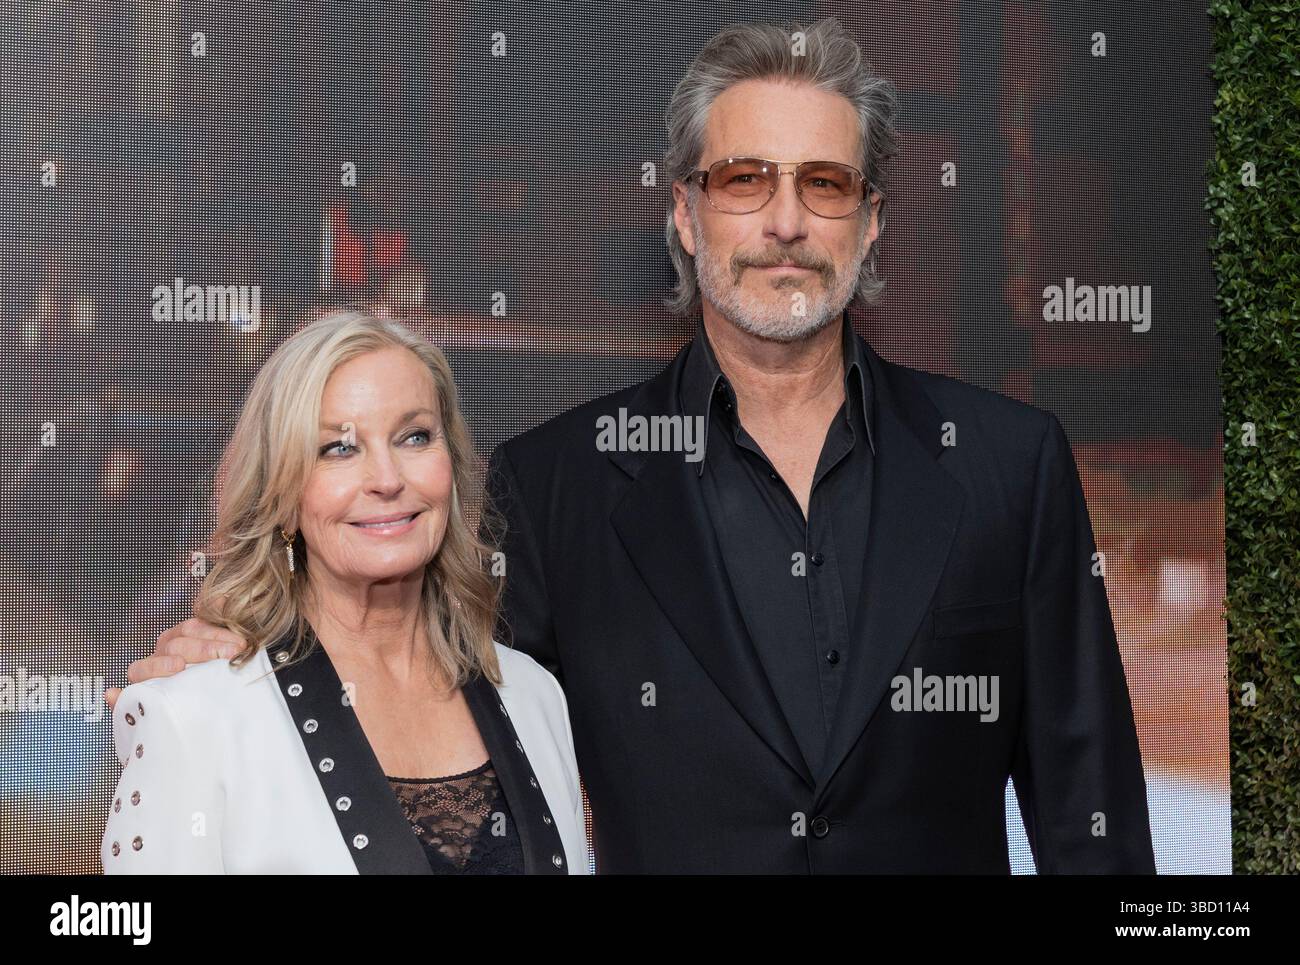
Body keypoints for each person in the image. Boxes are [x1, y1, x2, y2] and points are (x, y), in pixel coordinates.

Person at [118, 18, 1155, 873]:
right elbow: (411, 665)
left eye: (825, 184)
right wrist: (223, 664)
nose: (785, 220)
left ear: (872, 221)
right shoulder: (556, 483)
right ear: (686, 214)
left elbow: (1091, 821)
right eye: (744, 179)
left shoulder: (1005, 463)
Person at [101, 310, 587, 874]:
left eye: (414, 437)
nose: (386, 478)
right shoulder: (196, 718)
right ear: (282, 492)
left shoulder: (535, 696)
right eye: (338, 448)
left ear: (451, 466)